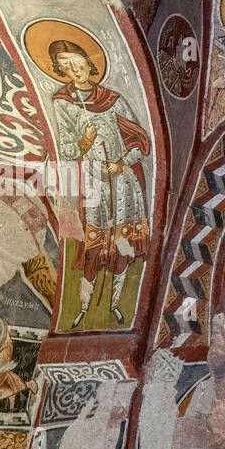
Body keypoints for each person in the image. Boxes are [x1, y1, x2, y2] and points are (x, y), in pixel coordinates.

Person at [49, 39, 151, 326]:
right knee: (94, 248)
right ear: (60, 71)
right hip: (93, 182)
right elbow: (66, 150)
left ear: (88, 61)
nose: (74, 69)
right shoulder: (63, 103)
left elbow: (141, 140)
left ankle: (116, 304)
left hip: (123, 182)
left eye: (77, 61)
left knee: (122, 243)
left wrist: (121, 163)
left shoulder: (113, 99)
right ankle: (83, 306)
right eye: (66, 66)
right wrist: (85, 140)